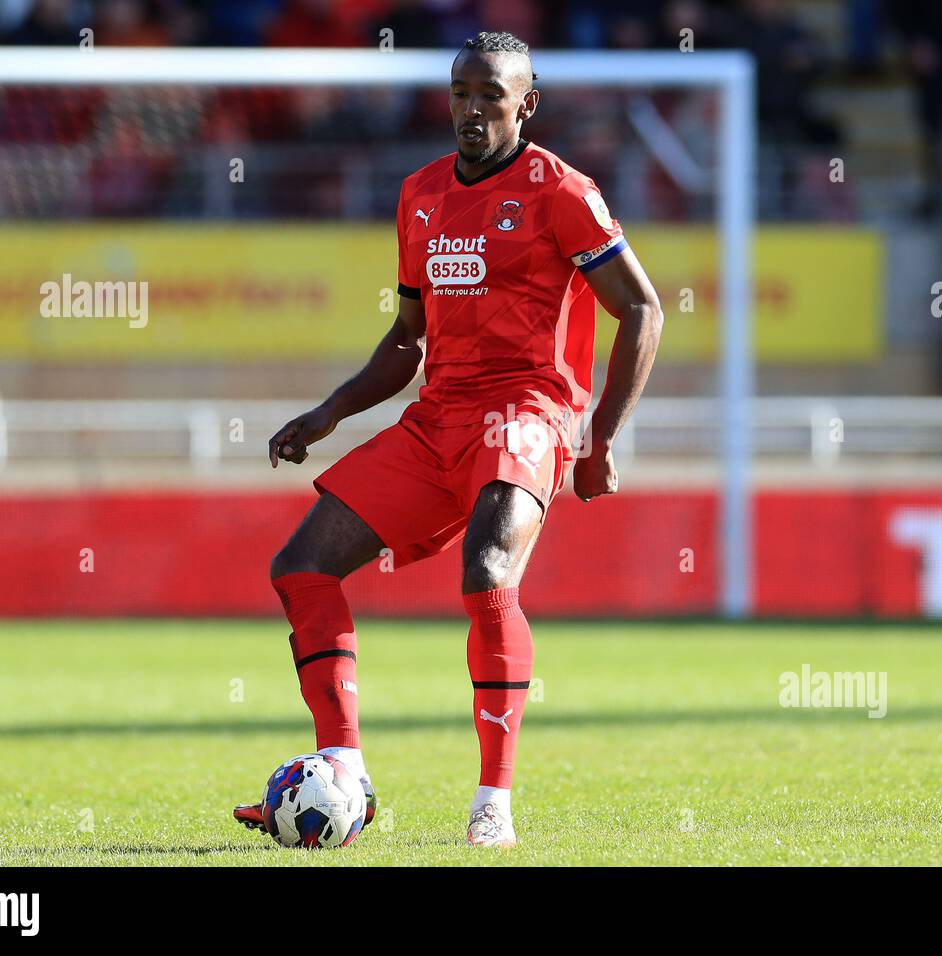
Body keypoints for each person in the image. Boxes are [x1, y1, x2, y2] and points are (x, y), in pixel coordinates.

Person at [235, 31, 664, 848]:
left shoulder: (560, 191)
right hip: (437, 419)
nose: (472, 109)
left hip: (527, 409)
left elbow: (642, 308)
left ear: (525, 105)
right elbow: (408, 337)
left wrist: (600, 436)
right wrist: (331, 411)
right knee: (300, 567)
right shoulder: (421, 194)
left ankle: (492, 801)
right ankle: (344, 771)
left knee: (487, 569)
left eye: (491, 96)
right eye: (461, 93)